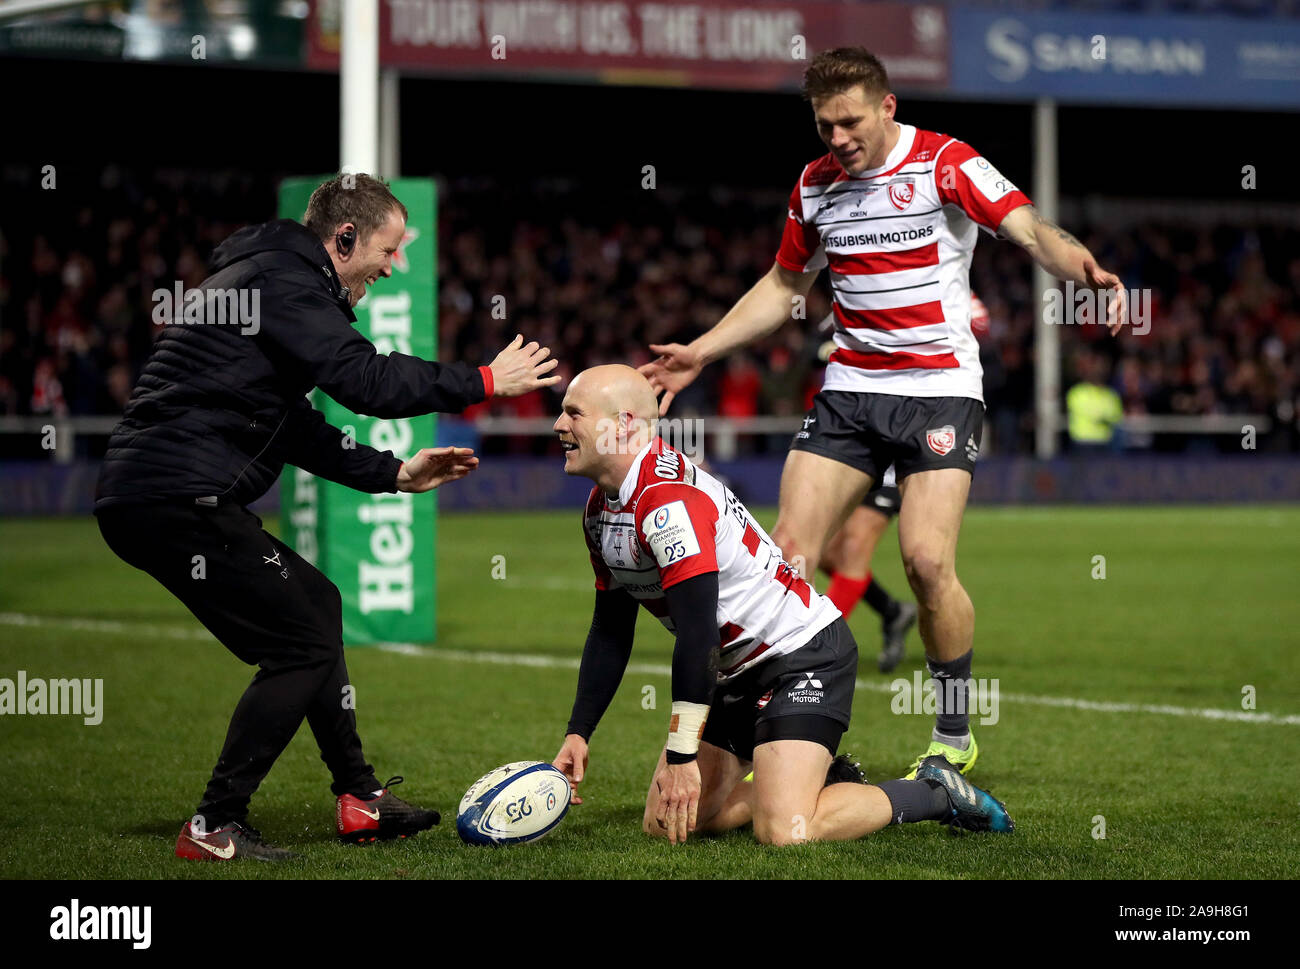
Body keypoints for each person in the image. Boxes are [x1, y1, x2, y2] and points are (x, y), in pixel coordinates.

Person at [640, 48, 1126, 779]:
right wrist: (701, 351)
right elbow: (781, 286)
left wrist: (1081, 264)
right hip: (849, 393)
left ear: (888, 106)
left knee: (928, 562)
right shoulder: (814, 185)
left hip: (939, 388)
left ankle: (953, 734)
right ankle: (766, 729)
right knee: (785, 557)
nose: (836, 138)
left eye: (849, 121)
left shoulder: (946, 163)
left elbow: (1028, 228)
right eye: (823, 124)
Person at [95, 173, 560, 861]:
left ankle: (358, 797)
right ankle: (215, 824)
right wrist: (484, 381)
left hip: (158, 491)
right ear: (345, 238)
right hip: (173, 494)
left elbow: (294, 427)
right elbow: (364, 379)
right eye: (389, 248)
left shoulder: (264, 276)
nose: (394, 264)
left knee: (316, 610)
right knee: (303, 637)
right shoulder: (283, 283)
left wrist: (393, 474)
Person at [549, 365, 1013, 845]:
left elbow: (697, 635)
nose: (559, 425)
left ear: (621, 424)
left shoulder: (669, 504)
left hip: (803, 655)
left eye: (572, 413)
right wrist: (579, 732)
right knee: (667, 823)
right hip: (733, 670)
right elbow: (610, 629)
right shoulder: (601, 510)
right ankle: (816, 781)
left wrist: (683, 754)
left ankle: (933, 793)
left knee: (785, 831)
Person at [819, 465, 917, 673]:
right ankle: (893, 611)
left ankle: (819, 643)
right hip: (856, 458)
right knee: (825, 553)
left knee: (853, 549)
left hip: (892, 462)